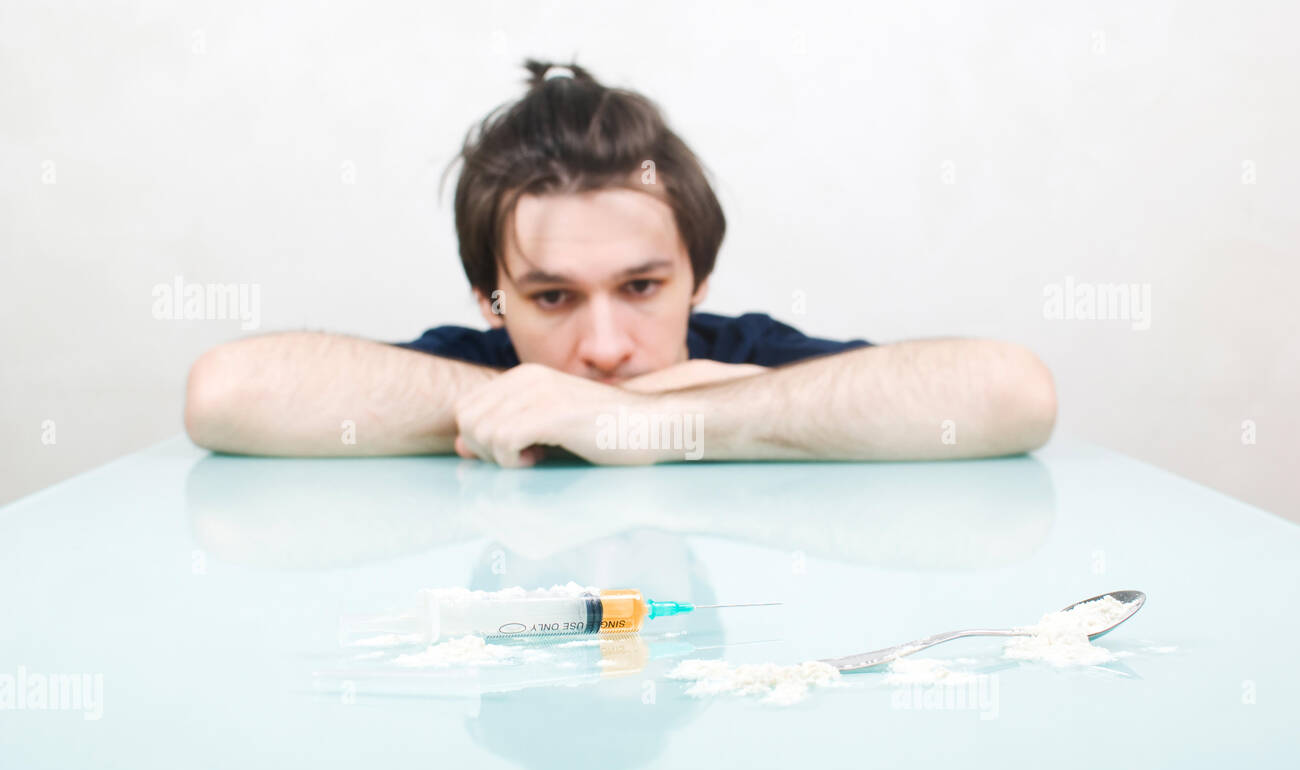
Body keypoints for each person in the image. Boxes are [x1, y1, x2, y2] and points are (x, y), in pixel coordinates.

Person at [183, 59, 1056, 467]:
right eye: (553, 297)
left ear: (697, 279)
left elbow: (1011, 395)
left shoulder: (740, 356)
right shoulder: (481, 368)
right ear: (493, 301)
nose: (604, 346)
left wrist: (659, 423)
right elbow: (227, 395)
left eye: (642, 287)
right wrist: (543, 409)